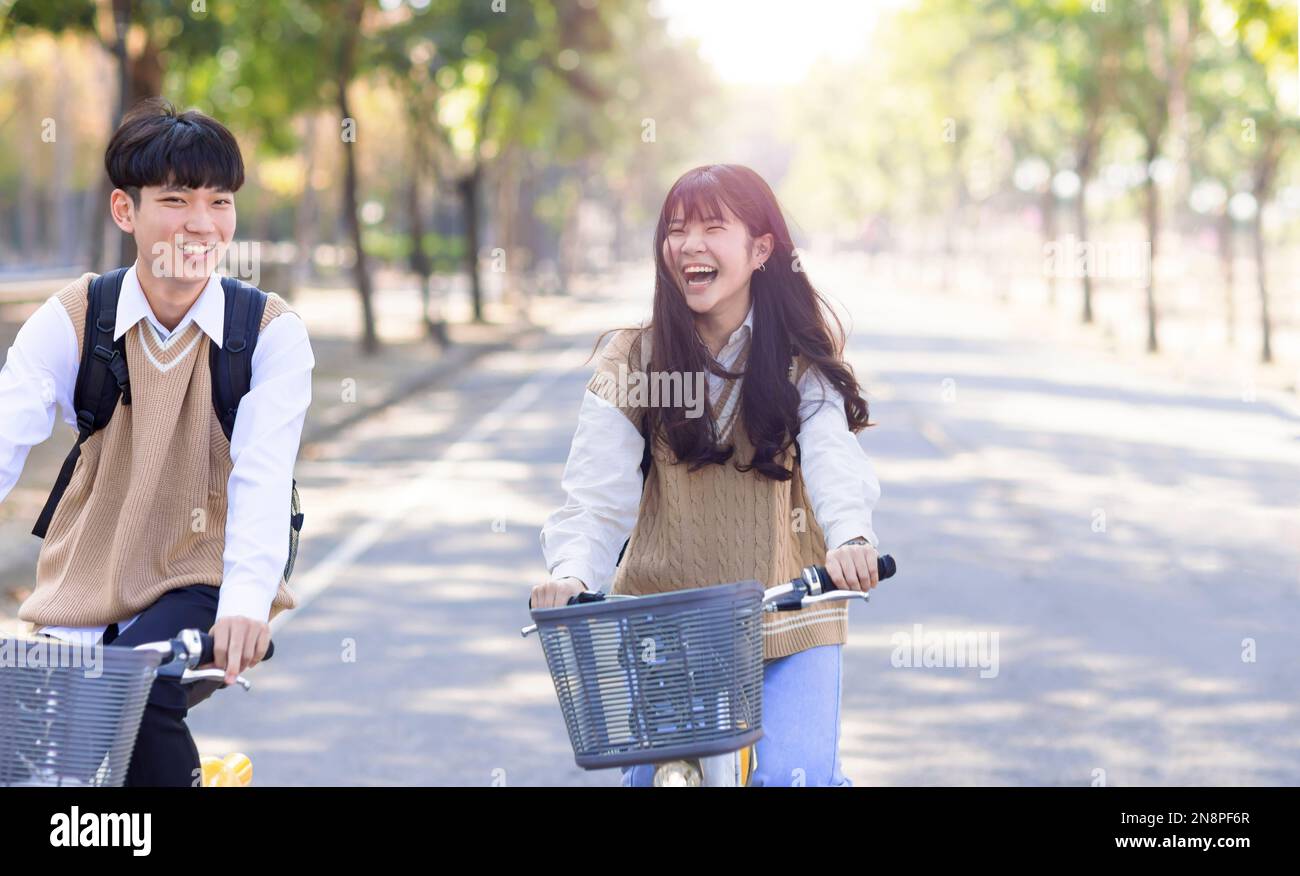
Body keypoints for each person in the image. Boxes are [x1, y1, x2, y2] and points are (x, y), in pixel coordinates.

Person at [536, 163, 883, 786]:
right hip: (666, 631)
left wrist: (850, 537)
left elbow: (833, 457)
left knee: (795, 778)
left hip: (789, 619)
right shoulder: (634, 359)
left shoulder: (800, 358)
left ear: (760, 249)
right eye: (675, 229)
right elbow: (595, 497)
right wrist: (569, 574)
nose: (688, 244)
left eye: (712, 227)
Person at [0, 98, 314, 787]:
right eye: (175, 198)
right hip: (87, 582)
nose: (202, 223)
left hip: (203, 576)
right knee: (43, 762)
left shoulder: (267, 332)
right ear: (125, 211)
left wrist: (244, 604)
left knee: (137, 697)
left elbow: (263, 474)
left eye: (220, 201)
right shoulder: (76, 319)